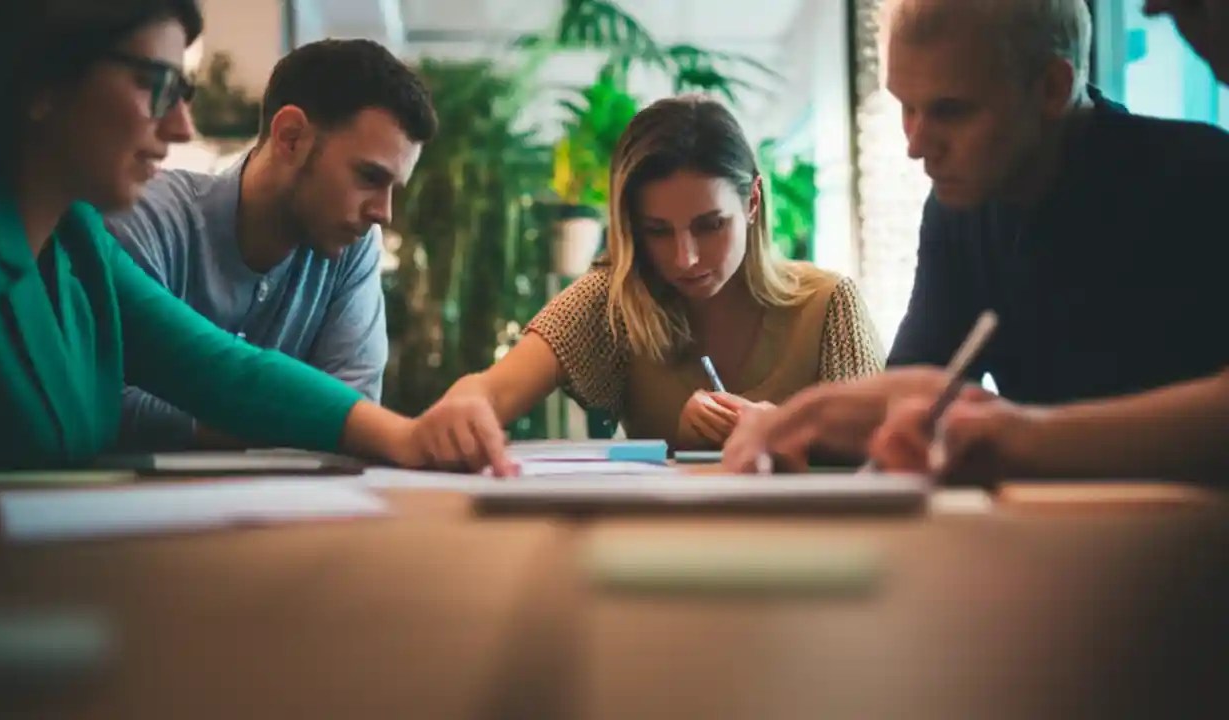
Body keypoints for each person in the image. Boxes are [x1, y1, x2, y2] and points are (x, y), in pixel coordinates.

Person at [0, 0, 514, 474]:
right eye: (155, 86)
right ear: (42, 78)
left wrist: (405, 437)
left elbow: (225, 370)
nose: (181, 127)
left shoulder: (79, 243)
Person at [724, 0, 1229, 472]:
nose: (917, 146)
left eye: (951, 111)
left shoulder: (1203, 180)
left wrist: (1013, 433)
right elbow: (920, 383)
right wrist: (807, 422)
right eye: (907, 107)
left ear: (1053, 89)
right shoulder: (960, 208)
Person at [424, 95, 883, 451]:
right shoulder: (614, 300)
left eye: (709, 226)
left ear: (752, 202)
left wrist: (786, 431)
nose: (685, 258)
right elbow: (493, 390)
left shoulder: (829, 305)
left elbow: (884, 448)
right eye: (657, 231)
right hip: (653, 552)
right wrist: (469, 404)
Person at [105, 38, 429, 450]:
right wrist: (304, 420)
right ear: (291, 137)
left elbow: (355, 404)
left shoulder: (353, 246)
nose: (383, 212)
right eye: (369, 177)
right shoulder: (145, 219)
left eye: (393, 189)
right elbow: (106, 399)